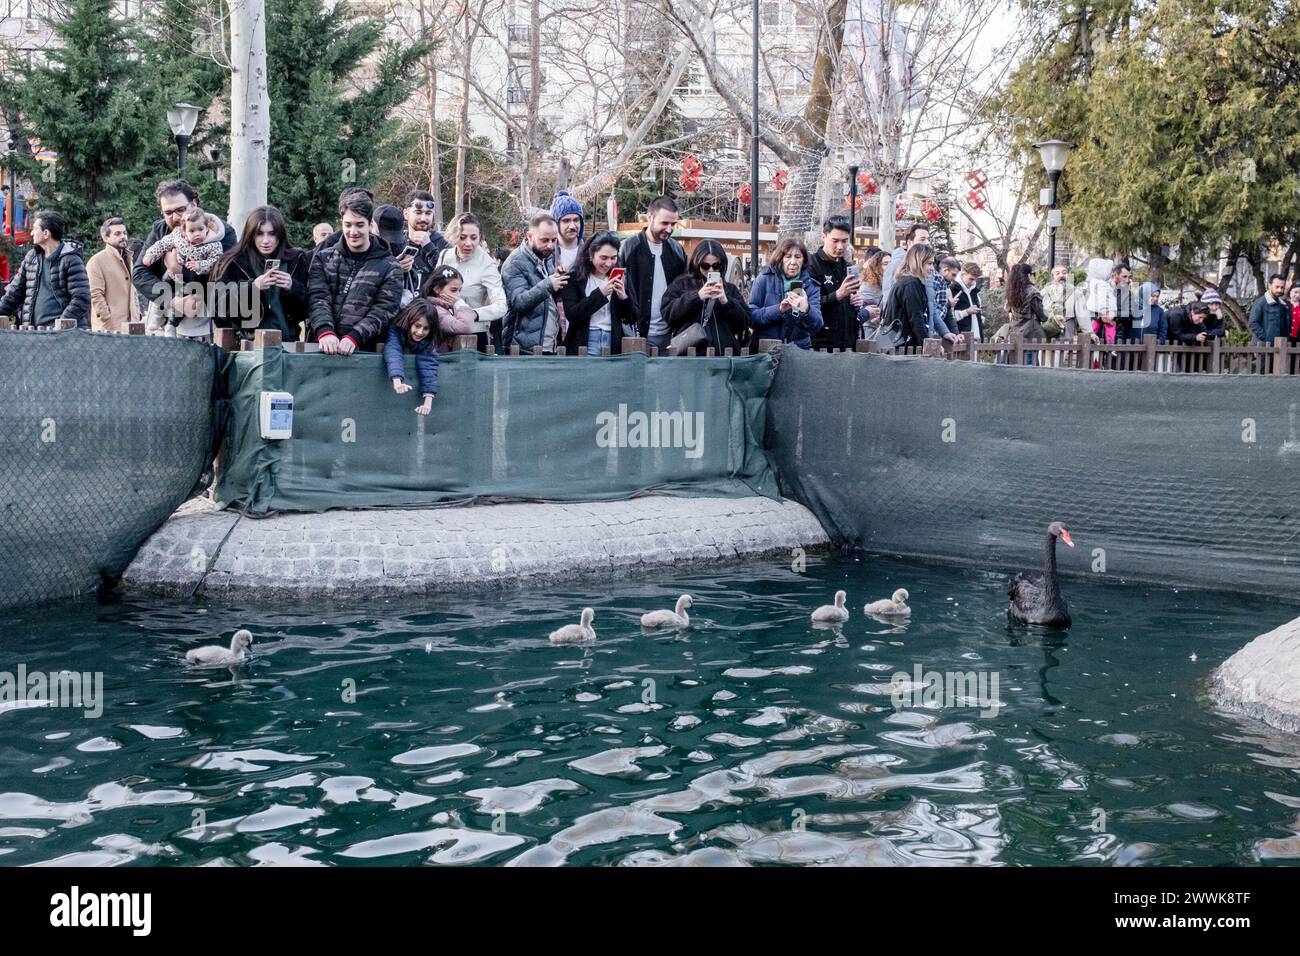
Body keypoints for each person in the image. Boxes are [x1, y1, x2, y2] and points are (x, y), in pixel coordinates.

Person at [132, 179, 236, 336]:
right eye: (168, 213)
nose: (174, 218)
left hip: (213, 321)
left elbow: (224, 278)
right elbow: (140, 274)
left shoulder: (222, 233)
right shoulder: (161, 230)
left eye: (180, 209)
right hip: (172, 318)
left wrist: (179, 270)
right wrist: (173, 301)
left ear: (194, 205)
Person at [307, 188, 403, 353]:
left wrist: (355, 336)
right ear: (341, 222)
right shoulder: (323, 258)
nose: (353, 232)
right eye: (348, 225)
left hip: (365, 352)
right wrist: (325, 331)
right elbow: (317, 297)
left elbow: (384, 309)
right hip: (320, 348)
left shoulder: (391, 266)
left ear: (370, 224)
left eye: (359, 225)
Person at [210, 205, 309, 341]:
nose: (266, 240)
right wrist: (253, 287)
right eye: (259, 233)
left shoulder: (296, 259)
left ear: (280, 234)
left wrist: (292, 288)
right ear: (250, 234)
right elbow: (218, 306)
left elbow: (307, 310)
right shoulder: (233, 261)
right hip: (246, 344)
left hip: (288, 343)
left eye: (272, 233)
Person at [0, 210, 90, 329]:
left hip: (64, 337)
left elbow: (81, 298)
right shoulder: (31, 257)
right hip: (34, 333)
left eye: (35, 229)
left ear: (46, 233)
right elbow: (14, 293)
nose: (31, 233)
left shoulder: (71, 260)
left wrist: (60, 327)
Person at [619, 196, 686, 350]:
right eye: (664, 223)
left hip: (671, 335)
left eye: (673, 224)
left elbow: (684, 291)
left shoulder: (677, 251)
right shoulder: (628, 248)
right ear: (650, 217)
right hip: (635, 335)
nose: (669, 229)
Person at [659, 239, 750, 353]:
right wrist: (697, 297)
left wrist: (726, 301)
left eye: (716, 265)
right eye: (705, 266)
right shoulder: (682, 284)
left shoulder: (730, 289)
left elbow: (744, 322)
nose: (711, 270)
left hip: (723, 355)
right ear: (697, 263)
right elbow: (668, 313)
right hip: (690, 355)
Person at [435, 213, 507, 350]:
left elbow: (501, 305)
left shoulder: (487, 263)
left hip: (473, 335)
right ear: (454, 236)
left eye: (474, 238)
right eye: (462, 238)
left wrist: (474, 314)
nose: (468, 243)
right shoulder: (445, 255)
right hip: (442, 332)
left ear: (480, 237)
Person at [559, 230, 637, 355]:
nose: (609, 263)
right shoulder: (574, 278)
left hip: (613, 340)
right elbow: (572, 314)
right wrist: (600, 293)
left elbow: (633, 317)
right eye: (603, 258)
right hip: (585, 340)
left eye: (613, 258)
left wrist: (624, 297)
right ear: (591, 254)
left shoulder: (621, 276)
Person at [502, 212, 564, 352]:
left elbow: (547, 300)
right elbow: (518, 301)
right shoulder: (515, 262)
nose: (550, 245)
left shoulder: (545, 258)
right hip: (523, 349)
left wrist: (558, 279)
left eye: (554, 240)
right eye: (545, 240)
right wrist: (548, 285)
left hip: (549, 345)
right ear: (529, 236)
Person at [747, 237, 823, 349]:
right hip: (766, 349)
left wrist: (807, 309)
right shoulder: (764, 279)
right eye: (788, 256)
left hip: (798, 351)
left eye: (798, 257)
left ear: (804, 260)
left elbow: (817, 325)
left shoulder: (811, 286)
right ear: (780, 259)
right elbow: (751, 318)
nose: (793, 262)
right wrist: (779, 310)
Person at [807, 215, 859, 350]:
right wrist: (837, 295)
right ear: (823, 237)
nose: (840, 246)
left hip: (847, 342)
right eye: (835, 241)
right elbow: (805, 305)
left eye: (845, 241)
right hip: (821, 343)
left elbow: (847, 304)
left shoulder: (846, 265)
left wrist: (855, 302)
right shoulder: (811, 265)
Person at [384, 298, 440, 416]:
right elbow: (393, 351)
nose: (420, 332)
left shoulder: (428, 340)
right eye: (417, 326)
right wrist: (397, 381)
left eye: (426, 328)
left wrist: (427, 403)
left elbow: (429, 367)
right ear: (409, 322)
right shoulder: (396, 329)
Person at [85, 217, 140, 333]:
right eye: (117, 234)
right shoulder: (96, 261)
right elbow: (95, 294)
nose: (123, 236)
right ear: (106, 238)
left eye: (124, 233)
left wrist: (137, 313)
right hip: (109, 328)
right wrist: (106, 318)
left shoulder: (129, 258)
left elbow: (132, 291)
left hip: (132, 325)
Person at [881, 242, 933, 348]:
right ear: (918, 262)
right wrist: (927, 344)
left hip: (900, 343)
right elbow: (916, 318)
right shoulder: (911, 284)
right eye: (929, 263)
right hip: (904, 345)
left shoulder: (907, 282)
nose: (932, 268)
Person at [423, 264, 484, 349]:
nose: (458, 295)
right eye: (453, 290)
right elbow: (465, 326)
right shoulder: (435, 310)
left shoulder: (448, 307)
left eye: (460, 290)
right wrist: (460, 304)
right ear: (437, 289)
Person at [1005, 262, 1048, 363]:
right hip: (1030, 333)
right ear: (1029, 275)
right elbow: (1043, 316)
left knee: (1016, 362)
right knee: (1030, 364)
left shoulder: (1010, 291)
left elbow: (1008, 310)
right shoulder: (1032, 292)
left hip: (1015, 331)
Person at [881, 223, 930, 299]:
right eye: (922, 239)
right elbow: (889, 297)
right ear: (910, 242)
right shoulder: (897, 263)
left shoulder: (927, 264)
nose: (927, 243)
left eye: (928, 239)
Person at [550, 191, 585, 273]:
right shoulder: (547, 252)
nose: (572, 226)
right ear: (556, 223)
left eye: (576, 220)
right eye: (566, 221)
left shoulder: (590, 250)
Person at [1249, 274, 1290, 343]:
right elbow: (1253, 323)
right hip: (1262, 347)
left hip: (1279, 347)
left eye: (1282, 287)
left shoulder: (1283, 305)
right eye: (1277, 287)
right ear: (1269, 285)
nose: (1279, 290)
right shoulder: (1260, 302)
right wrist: (1266, 339)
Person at [856, 250, 888, 334]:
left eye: (891, 263)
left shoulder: (889, 283)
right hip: (871, 328)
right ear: (876, 266)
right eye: (885, 263)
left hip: (883, 329)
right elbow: (862, 306)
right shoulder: (868, 285)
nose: (889, 266)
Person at [950, 261, 984, 339]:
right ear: (962, 274)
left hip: (976, 339)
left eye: (975, 280)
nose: (973, 283)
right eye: (971, 279)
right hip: (958, 338)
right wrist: (966, 312)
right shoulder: (952, 290)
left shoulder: (974, 292)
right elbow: (947, 316)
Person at [1112, 262, 1137, 341]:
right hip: (1102, 336)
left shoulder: (1129, 294)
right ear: (1115, 275)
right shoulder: (1105, 289)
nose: (1127, 280)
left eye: (1128, 277)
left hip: (1120, 337)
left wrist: (1113, 314)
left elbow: (1131, 313)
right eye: (1124, 277)